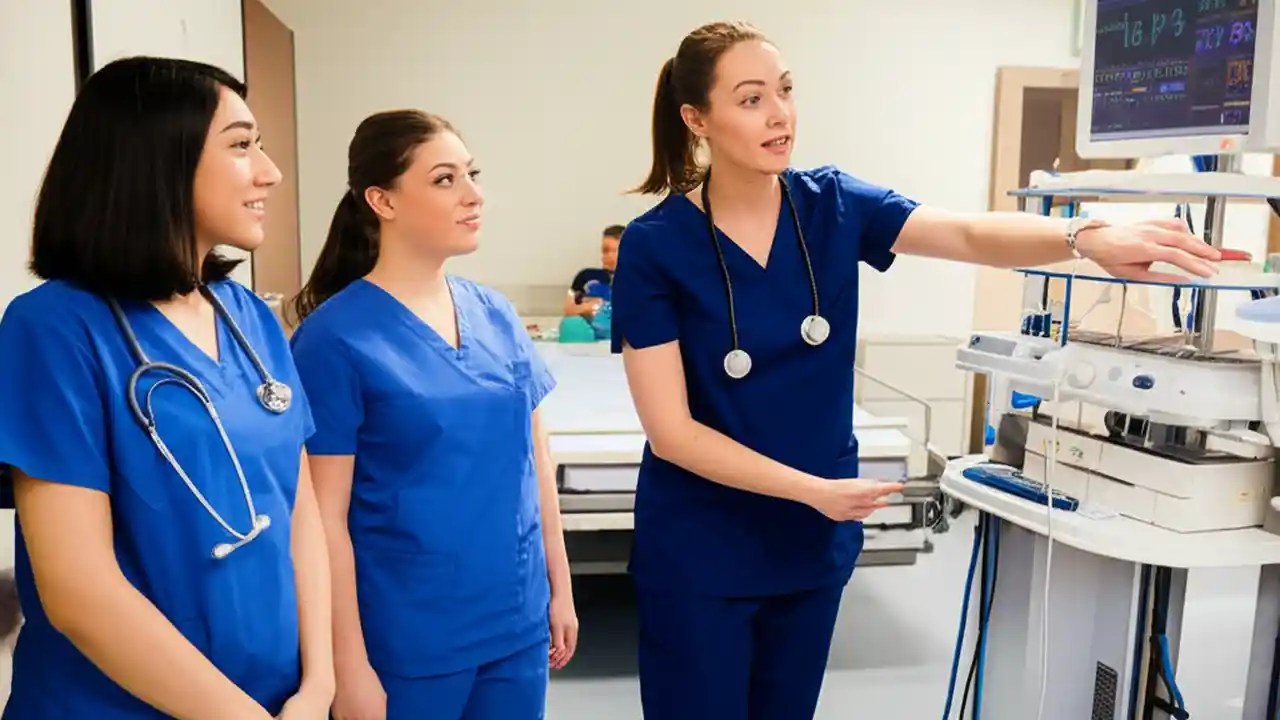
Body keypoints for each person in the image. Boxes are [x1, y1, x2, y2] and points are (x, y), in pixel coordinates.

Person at [610, 20, 1221, 720]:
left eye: (784, 90)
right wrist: (812, 490)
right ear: (697, 119)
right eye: (750, 99)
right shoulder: (656, 247)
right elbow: (673, 433)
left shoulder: (831, 206)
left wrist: (1084, 236)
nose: (779, 114)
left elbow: (961, 231)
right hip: (703, 551)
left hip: (808, 547)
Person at [0, 57, 334, 719]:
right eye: (241, 146)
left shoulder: (252, 320)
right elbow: (78, 591)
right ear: (156, 160)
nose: (269, 171)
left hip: (277, 698)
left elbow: (299, 513)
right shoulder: (55, 329)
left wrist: (318, 683)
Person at [289, 109, 577, 720]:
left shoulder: (495, 315)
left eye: (471, 174)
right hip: (407, 641)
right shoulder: (333, 340)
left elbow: (535, 462)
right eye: (445, 179)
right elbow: (323, 522)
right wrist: (349, 666)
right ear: (382, 200)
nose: (474, 196)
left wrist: (561, 586)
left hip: (515, 620)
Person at [562, 224, 622, 317]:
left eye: (615, 251)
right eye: (605, 250)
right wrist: (591, 307)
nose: (609, 256)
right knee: (569, 324)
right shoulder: (587, 277)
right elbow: (568, 309)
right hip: (591, 327)